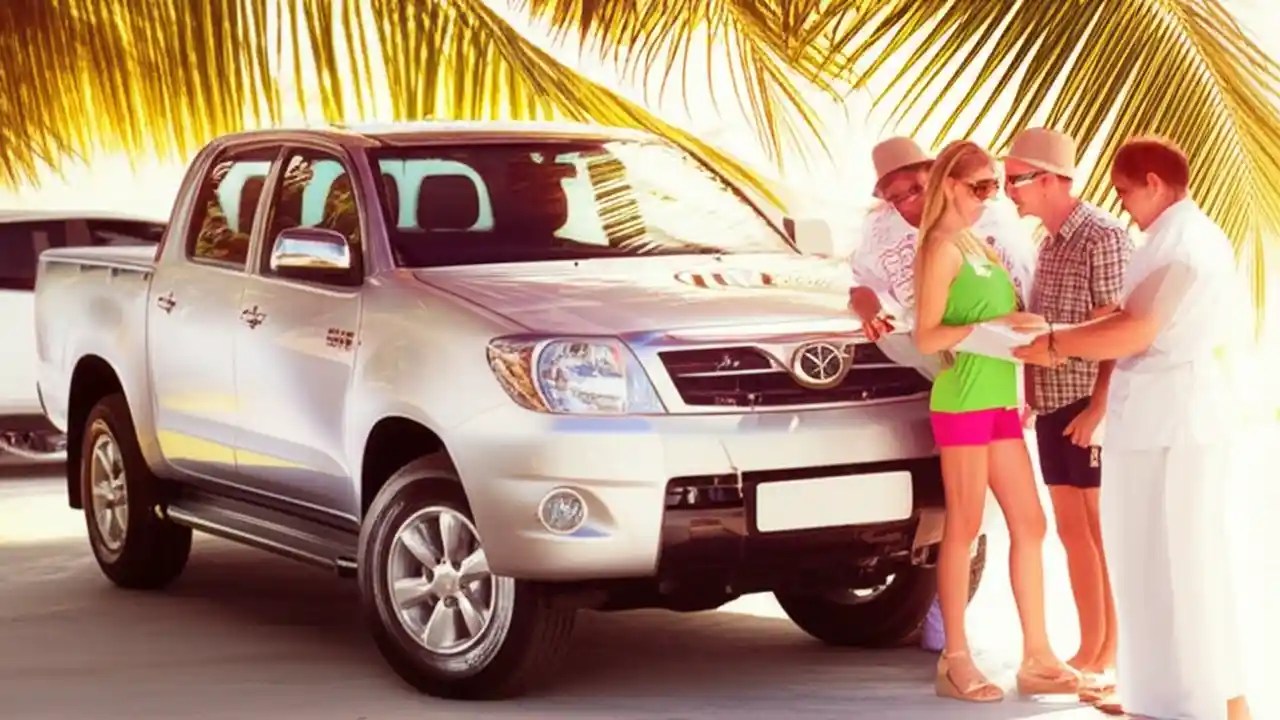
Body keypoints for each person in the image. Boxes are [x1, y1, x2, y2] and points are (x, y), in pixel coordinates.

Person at [1014, 137, 1253, 720]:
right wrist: (1073, 333)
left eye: (1126, 192)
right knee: (1153, 564)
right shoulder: (1170, 237)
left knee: (1182, 566)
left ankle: (1206, 703)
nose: (1124, 206)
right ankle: (1175, 698)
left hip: (1175, 425)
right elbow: (1131, 320)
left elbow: (1136, 328)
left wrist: (1053, 342)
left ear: (1152, 181)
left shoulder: (1185, 242)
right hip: (1156, 420)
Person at [846, 136, 1035, 652]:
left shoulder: (983, 223)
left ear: (939, 177)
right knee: (964, 512)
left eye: (917, 184)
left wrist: (1030, 369)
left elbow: (1023, 289)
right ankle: (951, 636)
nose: (910, 199)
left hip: (989, 369)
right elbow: (862, 284)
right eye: (897, 194)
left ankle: (967, 623)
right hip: (933, 365)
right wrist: (867, 308)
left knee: (999, 516)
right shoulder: (894, 233)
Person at [912, 139, 1078, 703]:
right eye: (981, 186)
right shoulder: (939, 246)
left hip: (999, 402)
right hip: (962, 402)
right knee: (964, 526)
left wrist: (1016, 321)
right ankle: (954, 659)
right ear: (951, 186)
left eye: (997, 186)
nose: (991, 196)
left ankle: (1037, 653)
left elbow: (987, 315)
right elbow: (927, 335)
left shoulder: (975, 244)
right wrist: (981, 335)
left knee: (1030, 524)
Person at [1002, 127, 1130, 694]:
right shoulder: (1049, 243)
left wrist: (1100, 407)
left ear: (1052, 179)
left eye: (1016, 180)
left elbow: (1117, 327)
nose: (1008, 192)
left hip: (1088, 403)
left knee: (1102, 533)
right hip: (1053, 404)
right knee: (1072, 532)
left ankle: (1114, 652)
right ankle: (1089, 646)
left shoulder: (1102, 235)